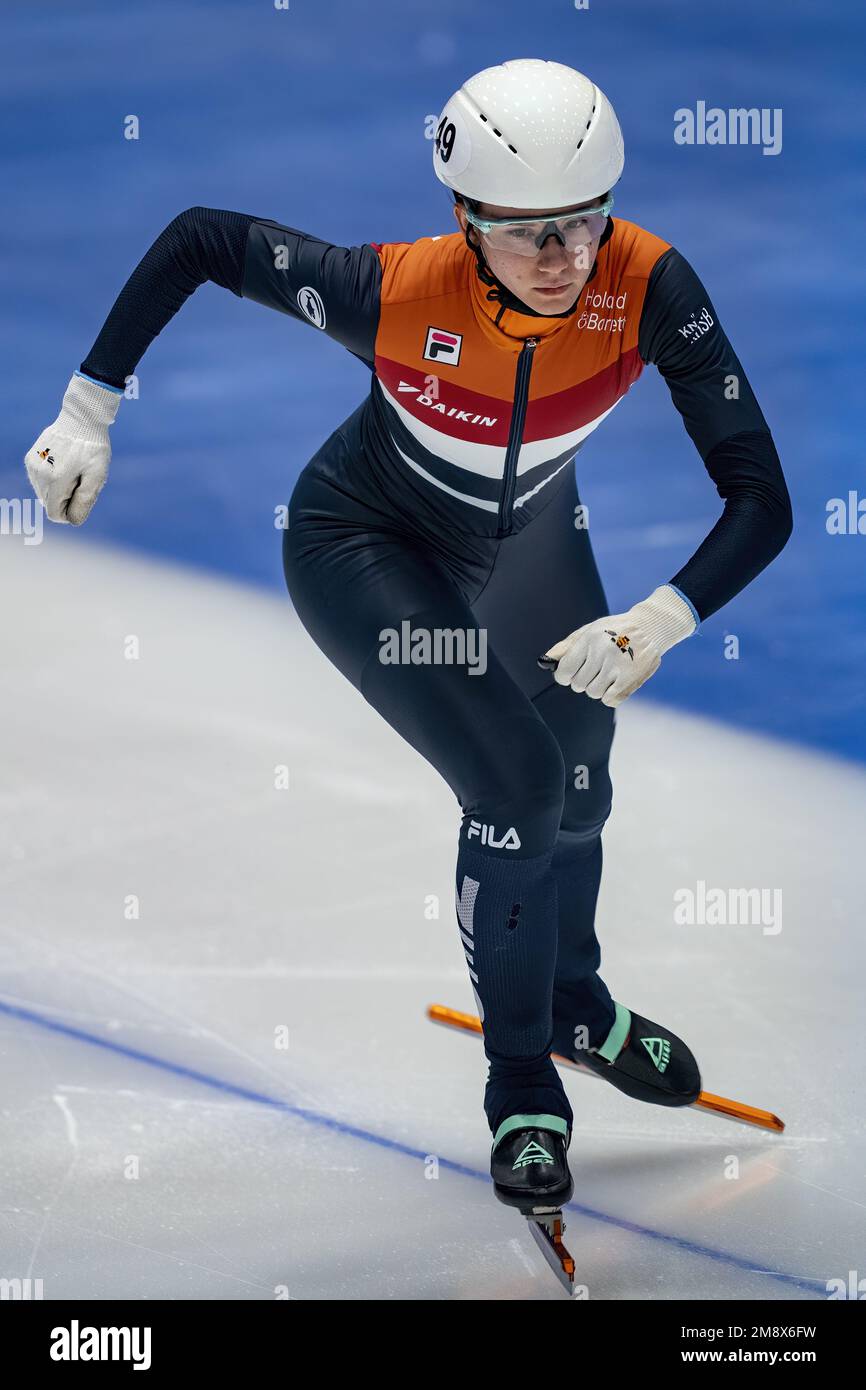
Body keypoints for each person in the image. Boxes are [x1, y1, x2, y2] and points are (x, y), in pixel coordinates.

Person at [25, 59, 792, 1213]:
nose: (563, 259)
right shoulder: (387, 290)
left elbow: (759, 495)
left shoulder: (645, 286)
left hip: (532, 542)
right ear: (465, 220)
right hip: (366, 547)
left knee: (581, 786)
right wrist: (88, 409)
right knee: (521, 788)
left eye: (583, 223)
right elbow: (198, 238)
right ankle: (521, 1080)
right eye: (529, 234)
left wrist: (660, 619)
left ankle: (573, 999)